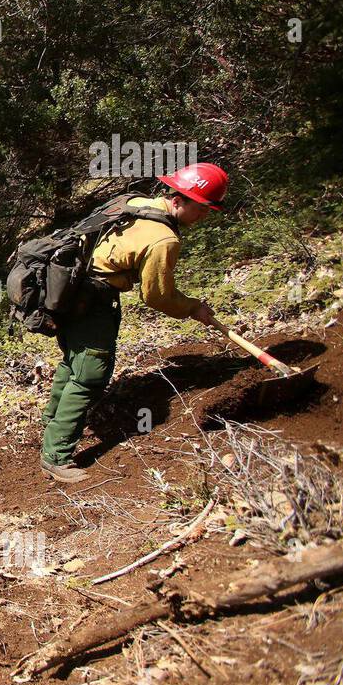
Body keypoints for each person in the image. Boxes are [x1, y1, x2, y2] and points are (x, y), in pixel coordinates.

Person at [40, 163, 227, 483]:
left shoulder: (139, 203)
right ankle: (56, 454)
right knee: (90, 374)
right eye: (202, 208)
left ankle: (52, 421)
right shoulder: (164, 239)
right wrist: (194, 308)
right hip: (93, 300)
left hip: (68, 288)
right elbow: (157, 297)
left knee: (73, 363)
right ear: (180, 199)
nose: (204, 216)